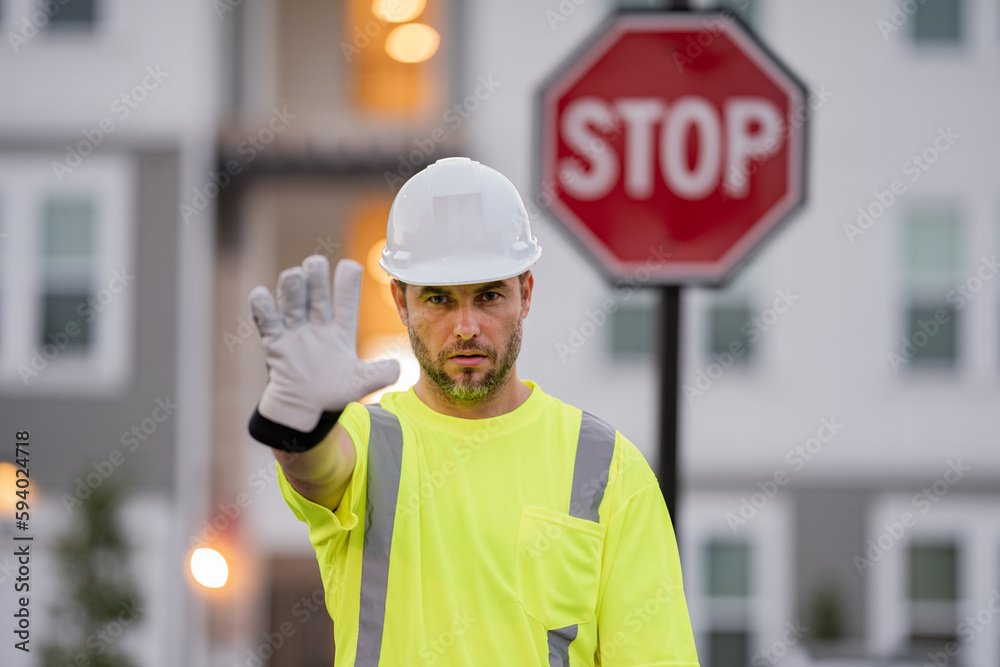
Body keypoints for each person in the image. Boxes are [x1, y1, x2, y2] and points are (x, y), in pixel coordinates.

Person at [247, 157, 699, 667]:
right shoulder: (366, 441)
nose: (465, 327)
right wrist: (297, 427)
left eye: (488, 296)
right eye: (439, 299)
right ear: (400, 302)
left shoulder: (607, 466)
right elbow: (317, 467)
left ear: (525, 294)